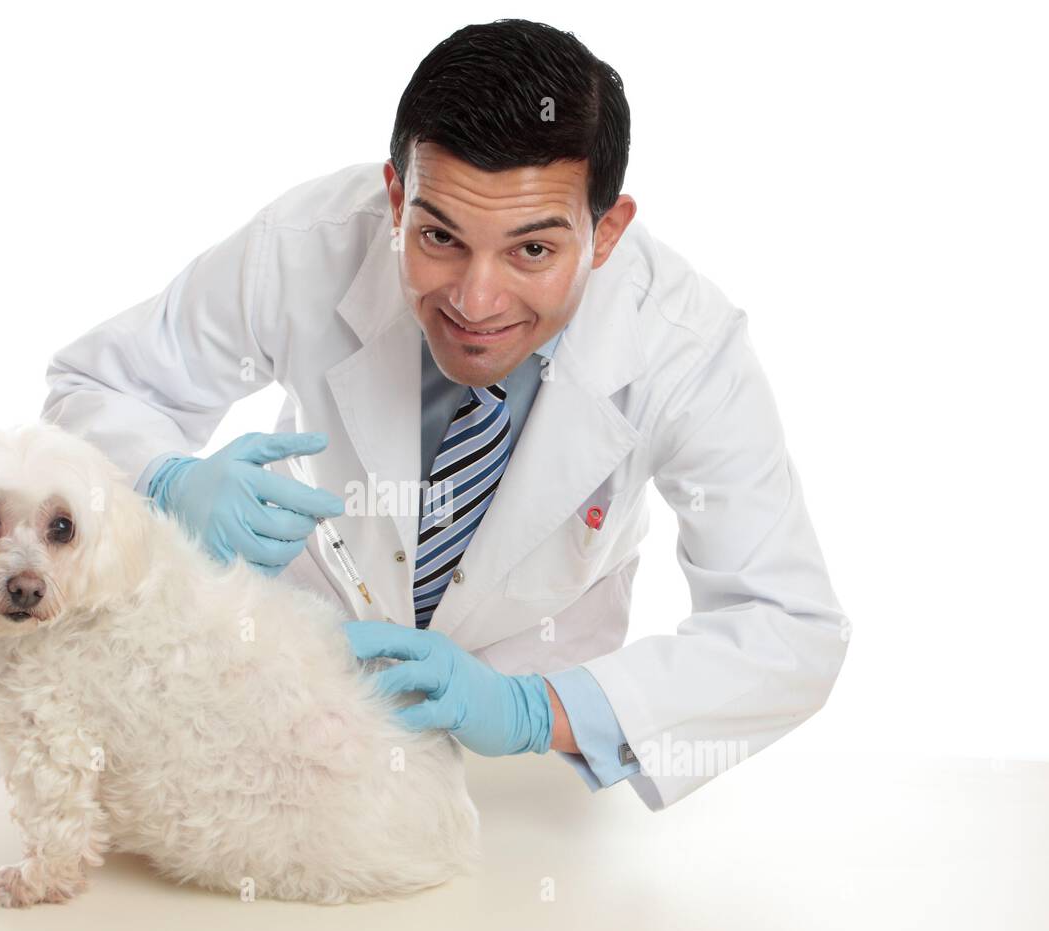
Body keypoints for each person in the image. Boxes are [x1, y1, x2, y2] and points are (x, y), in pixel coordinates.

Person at [41, 18, 848, 811]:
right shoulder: (303, 246)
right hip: (292, 683)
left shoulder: (685, 345)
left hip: (537, 740)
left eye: (532, 249)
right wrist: (167, 479)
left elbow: (790, 625)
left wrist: (535, 711)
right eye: (440, 237)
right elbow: (97, 386)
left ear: (606, 232)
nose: (474, 300)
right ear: (395, 200)